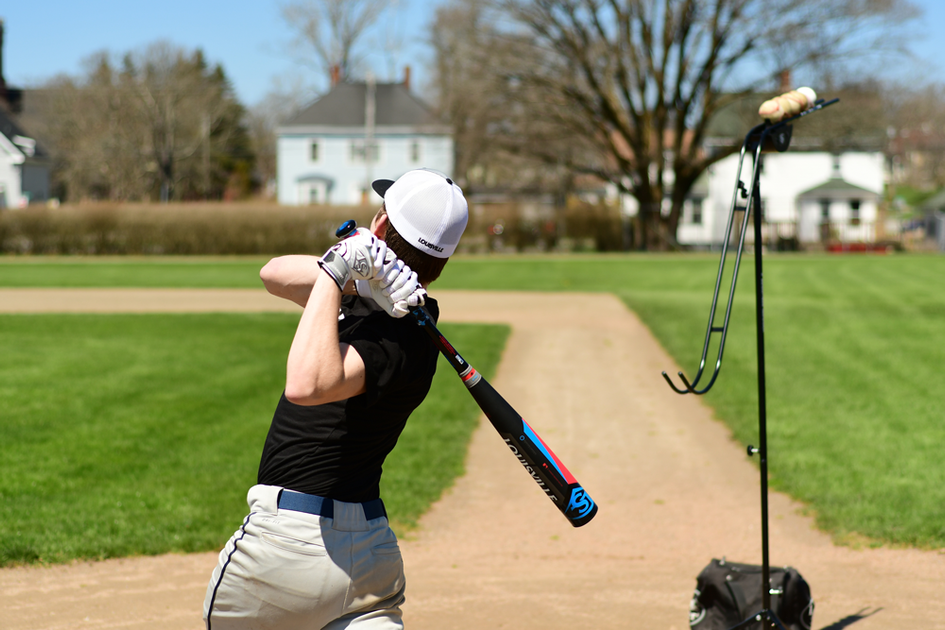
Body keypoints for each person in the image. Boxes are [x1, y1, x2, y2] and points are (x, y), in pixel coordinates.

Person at [203, 168, 469, 629]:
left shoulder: (406, 334)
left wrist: (337, 269)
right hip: (369, 560)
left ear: (380, 227)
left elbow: (308, 383)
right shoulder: (380, 303)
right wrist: (357, 278)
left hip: (283, 551)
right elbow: (273, 274)